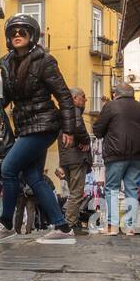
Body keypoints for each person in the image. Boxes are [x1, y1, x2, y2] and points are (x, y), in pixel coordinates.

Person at [0, 13, 80, 243]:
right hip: (25, 128)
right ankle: (62, 228)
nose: (17, 35)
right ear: (9, 38)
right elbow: (2, 100)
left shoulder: (44, 61)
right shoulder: (8, 64)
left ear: (31, 35)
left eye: (23, 31)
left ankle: (6, 224)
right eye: (13, 32)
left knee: (8, 168)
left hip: (44, 125)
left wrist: (69, 129)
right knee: (33, 178)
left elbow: (64, 96)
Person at [93, 83, 140, 233]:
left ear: (115, 94)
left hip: (116, 154)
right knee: (132, 189)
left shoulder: (111, 106)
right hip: (138, 155)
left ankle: (112, 226)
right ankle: (130, 227)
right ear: (132, 94)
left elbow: (97, 130)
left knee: (112, 189)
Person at [55, 88, 92, 234]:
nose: (85, 100)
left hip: (67, 157)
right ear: (75, 97)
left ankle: (72, 222)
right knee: (77, 193)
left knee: (73, 192)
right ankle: (68, 225)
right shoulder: (74, 111)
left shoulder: (64, 112)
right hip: (76, 156)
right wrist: (86, 140)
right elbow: (77, 126)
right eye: (83, 97)